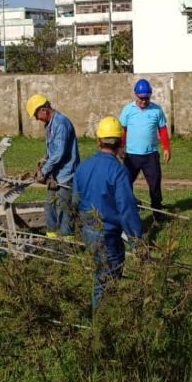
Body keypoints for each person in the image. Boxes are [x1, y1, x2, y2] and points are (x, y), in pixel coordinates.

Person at [73, 116, 143, 307]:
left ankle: (101, 314)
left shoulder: (83, 167)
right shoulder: (119, 171)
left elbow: (75, 200)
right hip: (108, 235)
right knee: (106, 283)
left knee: (100, 274)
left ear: (98, 141)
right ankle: (101, 319)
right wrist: (137, 241)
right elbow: (126, 209)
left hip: (88, 232)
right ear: (120, 142)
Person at [25, 93, 80, 239]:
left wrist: (43, 171)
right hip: (55, 176)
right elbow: (53, 150)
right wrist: (44, 160)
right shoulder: (49, 124)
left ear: (44, 110)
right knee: (50, 210)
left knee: (64, 212)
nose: (36, 119)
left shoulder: (60, 123)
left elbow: (59, 153)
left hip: (65, 176)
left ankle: (67, 245)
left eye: (36, 114)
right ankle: (52, 241)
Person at [119, 78, 171, 220]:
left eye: (147, 98)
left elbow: (162, 130)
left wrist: (166, 148)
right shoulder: (128, 110)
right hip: (131, 156)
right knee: (125, 183)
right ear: (136, 95)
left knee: (154, 185)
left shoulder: (156, 110)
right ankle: (130, 207)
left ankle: (157, 213)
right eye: (141, 98)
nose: (144, 101)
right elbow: (123, 130)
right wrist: (121, 148)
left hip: (150, 156)